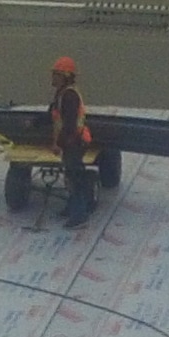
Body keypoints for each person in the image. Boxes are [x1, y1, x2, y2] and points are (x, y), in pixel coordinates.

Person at [47, 55, 96, 226]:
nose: (53, 77)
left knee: (75, 178)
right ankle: (73, 208)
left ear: (66, 76)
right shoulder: (61, 94)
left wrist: (58, 144)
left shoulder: (69, 96)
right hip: (71, 142)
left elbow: (69, 125)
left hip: (74, 142)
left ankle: (79, 215)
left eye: (56, 74)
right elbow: (53, 114)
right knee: (70, 177)